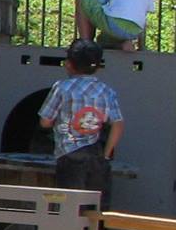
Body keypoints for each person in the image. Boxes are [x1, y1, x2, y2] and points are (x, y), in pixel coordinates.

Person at [39, 37, 123, 198]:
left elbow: (45, 122)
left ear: (68, 63)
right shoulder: (107, 91)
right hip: (96, 156)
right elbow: (118, 124)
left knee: (69, 205)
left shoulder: (62, 88)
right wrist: (106, 155)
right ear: (98, 67)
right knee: (94, 208)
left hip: (69, 155)